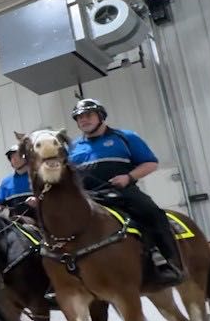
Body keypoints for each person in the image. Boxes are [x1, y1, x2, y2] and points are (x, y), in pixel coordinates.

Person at [67, 97, 181, 285]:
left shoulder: (125, 137)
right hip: (89, 198)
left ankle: (167, 261)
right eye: (79, 118)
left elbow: (151, 163)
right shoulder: (72, 148)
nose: (83, 120)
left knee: (153, 214)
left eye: (88, 115)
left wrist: (128, 177)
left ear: (100, 116)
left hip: (122, 193)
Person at [0, 144, 34, 220]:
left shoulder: (37, 178)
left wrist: (37, 201)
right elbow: (0, 207)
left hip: (39, 220)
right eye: (11, 157)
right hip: (16, 222)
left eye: (17, 156)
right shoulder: (6, 182)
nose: (14, 159)